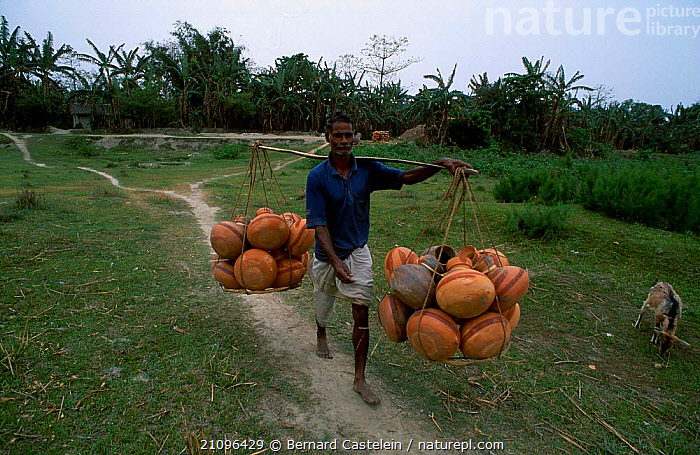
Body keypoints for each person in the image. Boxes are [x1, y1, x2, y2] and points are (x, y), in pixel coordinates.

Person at [305, 110, 472, 405]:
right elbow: (319, 225)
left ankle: (359, 378)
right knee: (323, 302)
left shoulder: (367, 170)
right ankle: (321, 331)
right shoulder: (317, 177)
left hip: (357, 251)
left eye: (349, 135)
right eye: (338, 135)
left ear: (354, 137)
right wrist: (333, 260)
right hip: (326, 255)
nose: (344, 141)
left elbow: (406, 177)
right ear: (328, 137)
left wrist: (439, 164)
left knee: (361, 311)